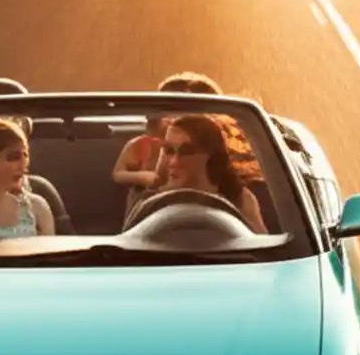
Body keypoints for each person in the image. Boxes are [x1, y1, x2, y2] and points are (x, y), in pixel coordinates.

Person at [112, 72, 225, 214]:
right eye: (171, 113)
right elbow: (118, 174)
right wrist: (142, 177)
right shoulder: (142, 145)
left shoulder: (221, 153)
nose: (176, 120)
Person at [141, 113, 269, 234]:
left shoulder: (238, 198)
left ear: (210, 155)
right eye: (169, 151)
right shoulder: (151, 201)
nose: (174, 162)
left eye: (186, 151)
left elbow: (263, 249)